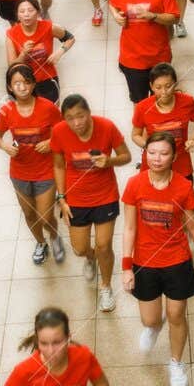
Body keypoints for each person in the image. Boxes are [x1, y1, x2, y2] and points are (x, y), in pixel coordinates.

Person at [121, 130, 194, 386]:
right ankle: (153, 328)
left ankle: (176, 363)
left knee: (176, 314)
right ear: (145, 154)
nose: (157, 158)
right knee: (150, 320)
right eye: (152, 153)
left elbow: (193, 226)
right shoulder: (135, 184)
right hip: (145, 261)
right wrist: (127, 267)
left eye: (163, 153)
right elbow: (129, 229)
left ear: (174, 157)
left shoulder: (183, 186)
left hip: (177, 260)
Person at [50, 95, 131, 314]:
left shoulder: (106, 127)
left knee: (104, 245)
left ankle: (106, 286)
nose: (76, 123)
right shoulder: (58, 132)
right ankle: (90, 257)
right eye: (70, 118)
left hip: (105, 196)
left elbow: (126, 156)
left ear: (89, 112)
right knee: (79, 248)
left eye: (80, 116)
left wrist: (109, 160)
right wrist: (61, 198)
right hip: (76, 199)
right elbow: (58, 166)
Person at [0, 63, 64, 266]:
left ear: (33, 85)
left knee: (45, 215)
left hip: (45, 170)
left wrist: (51, 142)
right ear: (9, 87)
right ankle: (41, 243)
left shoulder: (48, 108)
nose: (22, 87)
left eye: (26, 82)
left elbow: (63, 133)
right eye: (16, 83)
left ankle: (54, 236)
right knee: (29, 213)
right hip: (19, 171)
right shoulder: (7, 111)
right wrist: (5, 147)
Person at [110, 0, 179, 106]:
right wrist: (116, 15)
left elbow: (175, 17)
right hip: (132, 60)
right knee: (140, 103)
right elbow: (112, 3)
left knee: (163, 99)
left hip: (159, 57)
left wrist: (153, 16)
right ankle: (143, 130)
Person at [130, 63, 194, 181]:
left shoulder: (187, 102)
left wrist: (193, 139)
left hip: (180, 161)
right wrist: (150, 148)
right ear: (151, 86)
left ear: (175, 84)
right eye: (158, 87)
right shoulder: (142, 107)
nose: (164, 92)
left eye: (168, 86)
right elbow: (135, 135)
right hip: (154, 162)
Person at [4, 0, 75, 105]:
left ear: (37, 12)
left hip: (47, 78)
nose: (26, 15)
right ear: (18, 16)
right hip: (24, 83)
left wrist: (60, 52)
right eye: (22, 11)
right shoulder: (12, 34)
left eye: (30, 10)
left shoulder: (48, 27)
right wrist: (23, 54)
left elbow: (70, 38)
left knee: (51, 114)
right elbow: (12, 66)